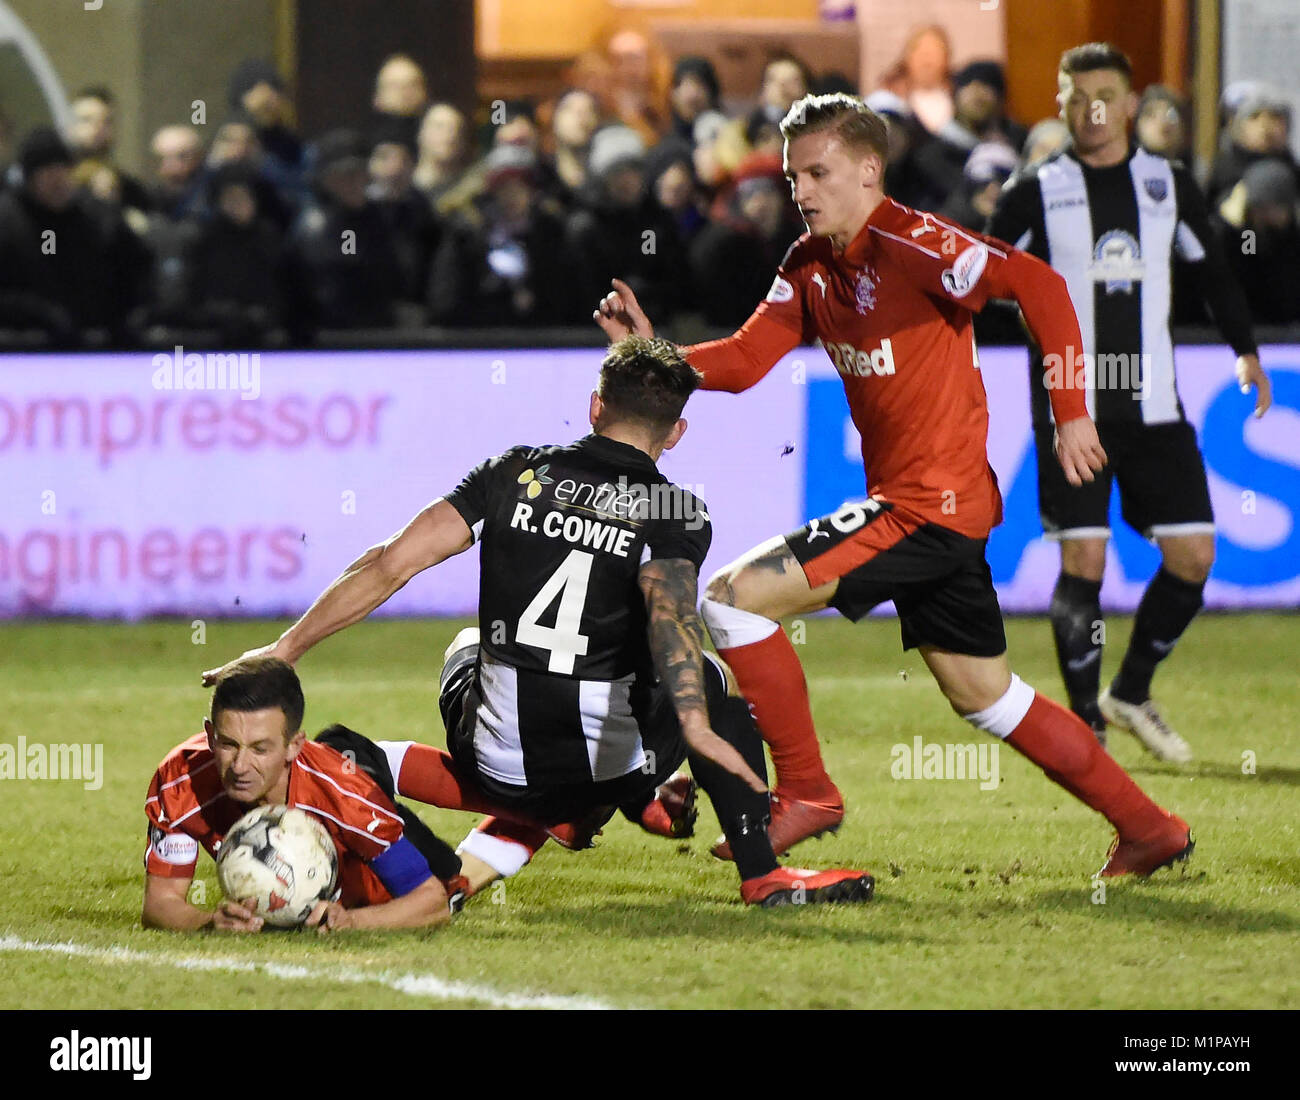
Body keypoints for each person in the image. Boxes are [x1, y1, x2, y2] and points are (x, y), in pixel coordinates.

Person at [593, 92, 1193, 880]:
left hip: (926, 506)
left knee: (733, 601)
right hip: (939, 508)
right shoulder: (810, 265)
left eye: (819, 172)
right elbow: (743, 360)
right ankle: (1149, 828)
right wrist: (655, 355)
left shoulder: (916, 244)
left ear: (869, 170)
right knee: (987, 696)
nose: (801, 191)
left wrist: (1072, 412)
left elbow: (1041, 286)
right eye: (792, 175)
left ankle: (807, 790)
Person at [202, 338, 874, 908]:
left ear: (593, 407)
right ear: (676, 433)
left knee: (454, 660)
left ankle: (415, 875)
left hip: (497, 764)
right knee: (702, 675)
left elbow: (389, 564)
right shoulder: (676, 508)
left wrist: (286, 648)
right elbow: (671, 618)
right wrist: (697, 726)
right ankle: (763, 876)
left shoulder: (514, 472)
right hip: (614, 766)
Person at [988, 43, 1271, 761]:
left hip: (1155, 409)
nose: (1092, 110)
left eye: (1105, 95)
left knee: (1194, 557)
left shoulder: (1167, 183)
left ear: (1131, 102)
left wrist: (1245, 349)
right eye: (1077, 95)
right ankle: (1084, 723)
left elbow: (1212, 268)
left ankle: (1131, 689)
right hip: (1073, 413)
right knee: (1082, 563)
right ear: (1060, 102)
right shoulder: (1034, 189)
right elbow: (980, 280)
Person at [143, 656, 456, 932]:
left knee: (453, 878)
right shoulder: (180, 780)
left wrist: (354, 922)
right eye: (228, 744)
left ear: (294, 745)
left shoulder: (346, 797)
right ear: (210, 736)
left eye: (260, 749)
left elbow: (432, 902)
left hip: (373, 875)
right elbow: (160, 904)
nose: (239, 766)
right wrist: (209, 923)